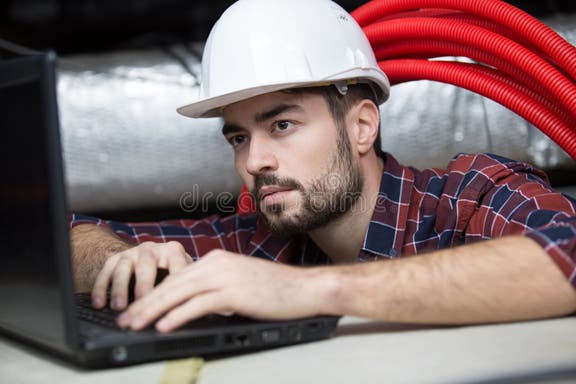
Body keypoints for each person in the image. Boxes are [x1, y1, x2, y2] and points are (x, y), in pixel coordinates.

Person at [70, 0, 576, 333]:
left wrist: (309, 291)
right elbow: (61, 236)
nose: (255, 161)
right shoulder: (262, 241)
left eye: (282, 125)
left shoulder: (469, 198)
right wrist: (119, 261)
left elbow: (568, 257)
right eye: (239, 137)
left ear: (362, 127)